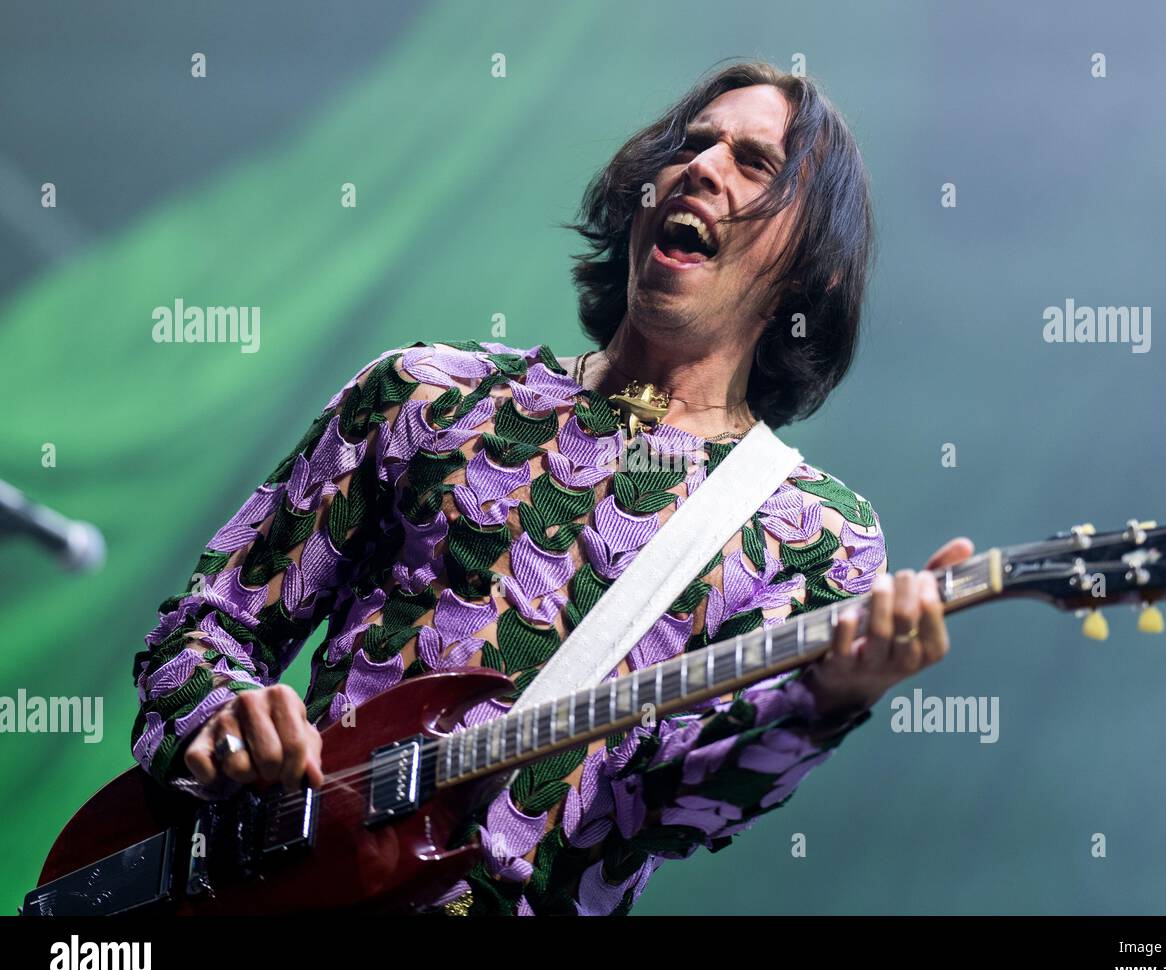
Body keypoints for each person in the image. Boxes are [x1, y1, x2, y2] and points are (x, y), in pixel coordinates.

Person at [129, 60, 973, 915]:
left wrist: (832, 696)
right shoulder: (427, 394)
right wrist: (225, 717)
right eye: (691, 143)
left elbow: (672, 805)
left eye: (754, 163)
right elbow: (202, 628)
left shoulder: (813, 538)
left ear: (813, 274)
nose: (702, 167)